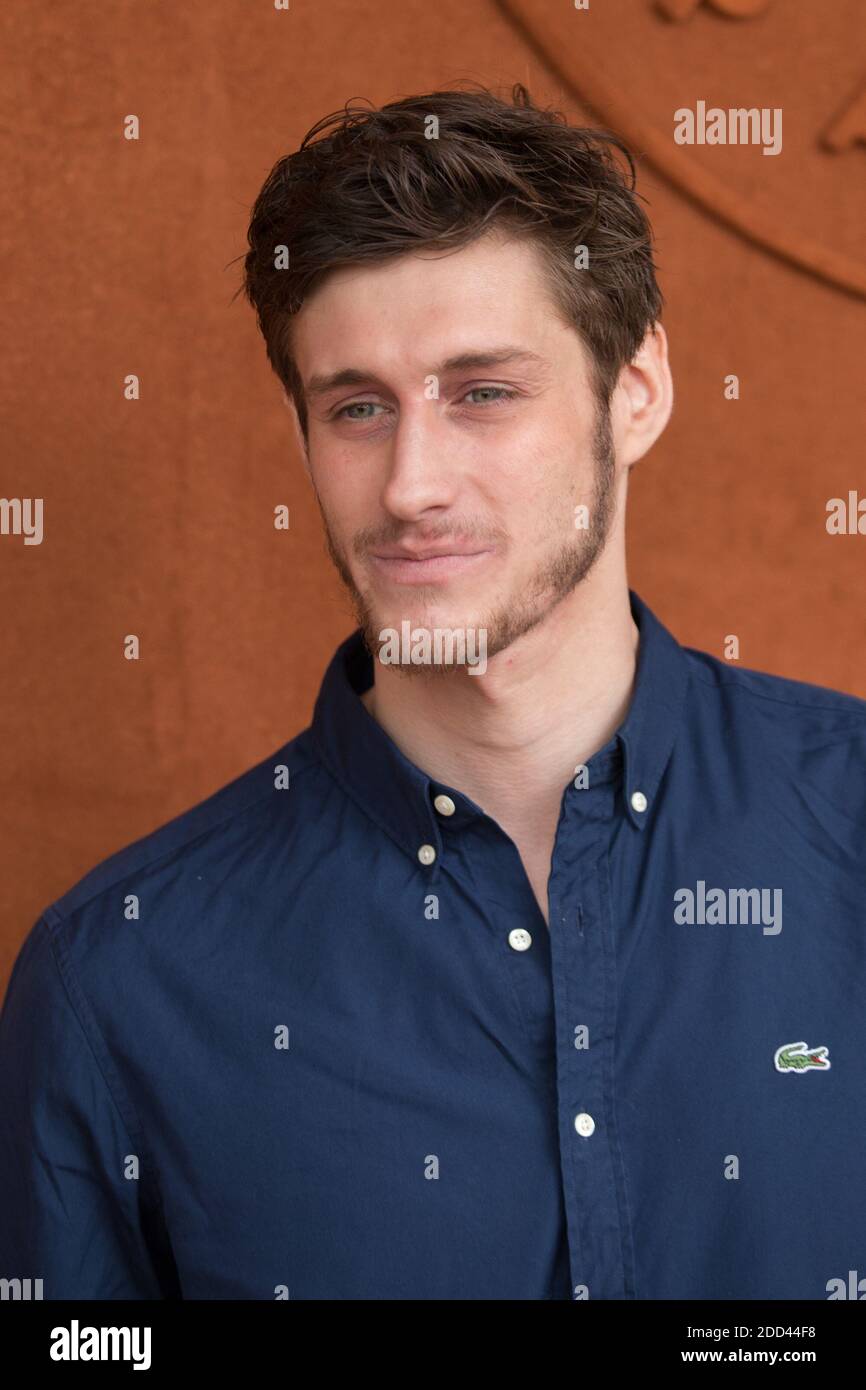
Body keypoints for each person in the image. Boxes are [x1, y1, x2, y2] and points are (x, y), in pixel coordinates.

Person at [2, 83, 864, 1301]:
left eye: (482, 393)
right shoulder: (118, 979)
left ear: (636, 393)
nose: (409, 484)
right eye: (356, 407)